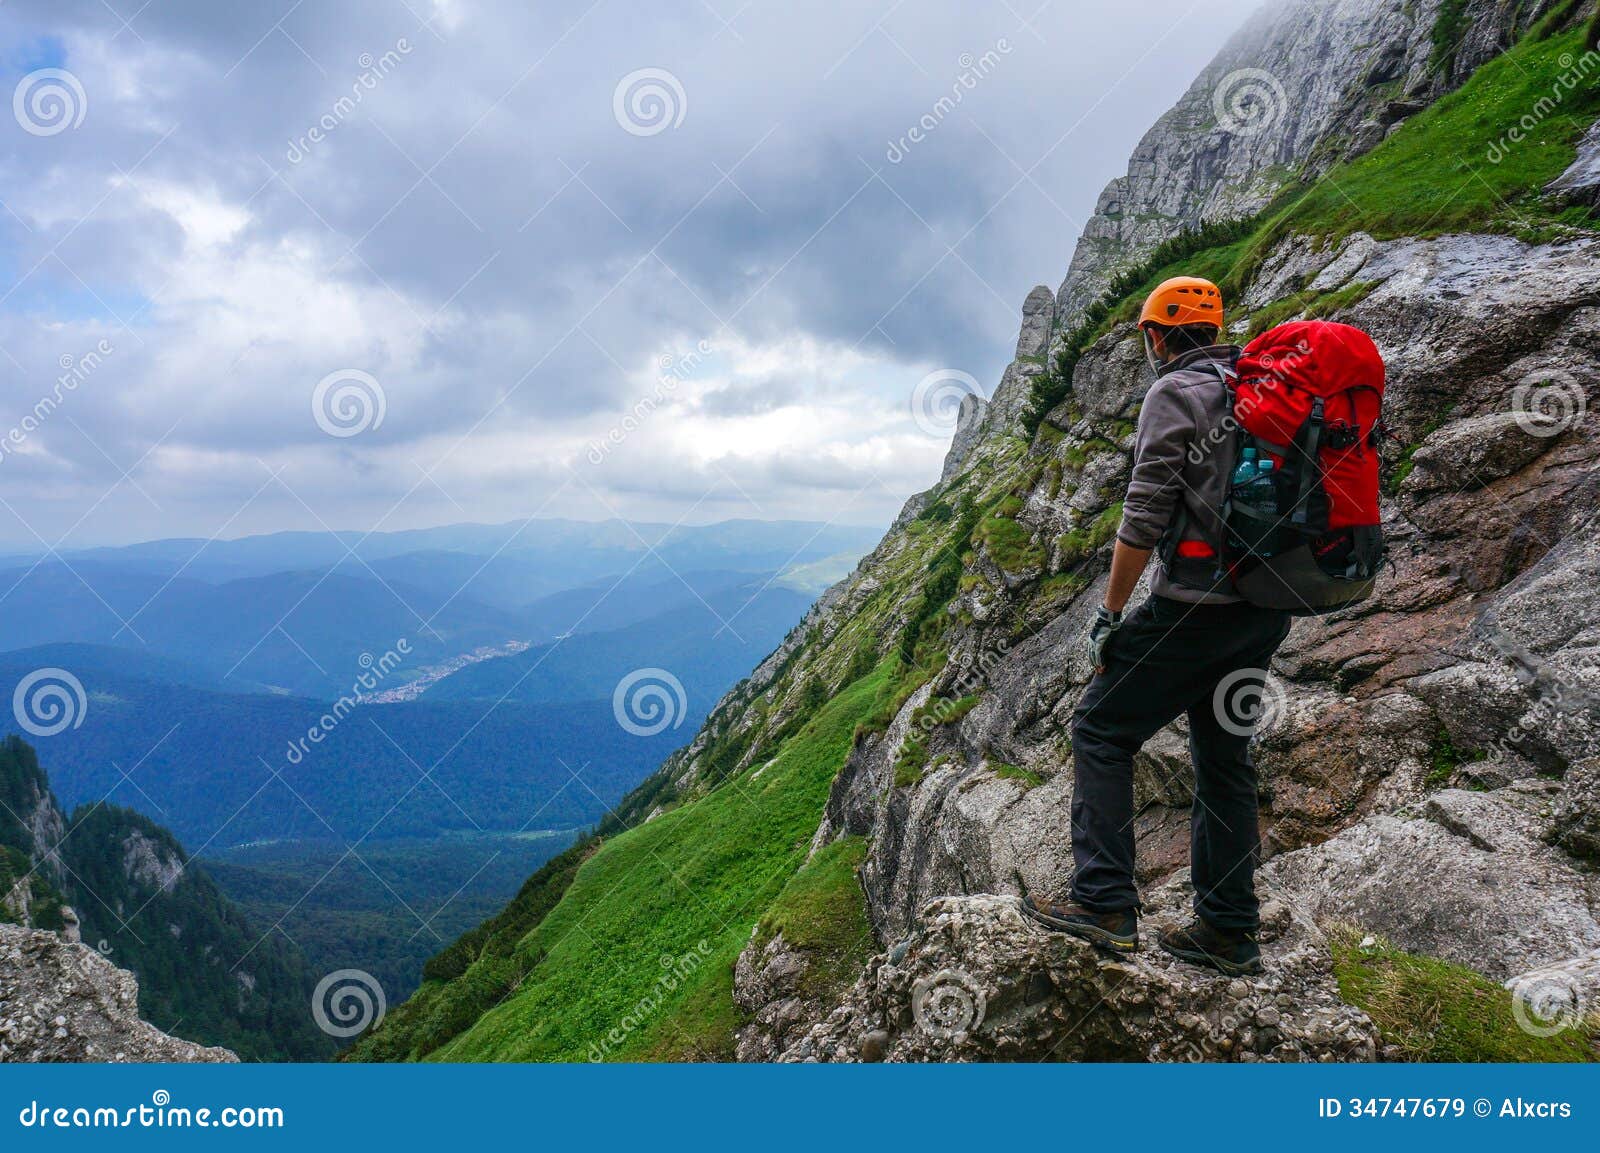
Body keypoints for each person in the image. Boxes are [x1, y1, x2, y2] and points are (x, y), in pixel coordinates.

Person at [1021, 276, 1292, 977]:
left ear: (1157, 336)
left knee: (1100, 727)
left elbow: (1143, 515)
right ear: (1213, 330)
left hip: (1196, 607)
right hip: (1265, 607)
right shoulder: (1254, 383)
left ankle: (1105, 903)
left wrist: (1109, 614)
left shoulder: (1175, 392)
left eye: (1148, 336)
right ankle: (1228, 928)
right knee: (1223, 755)